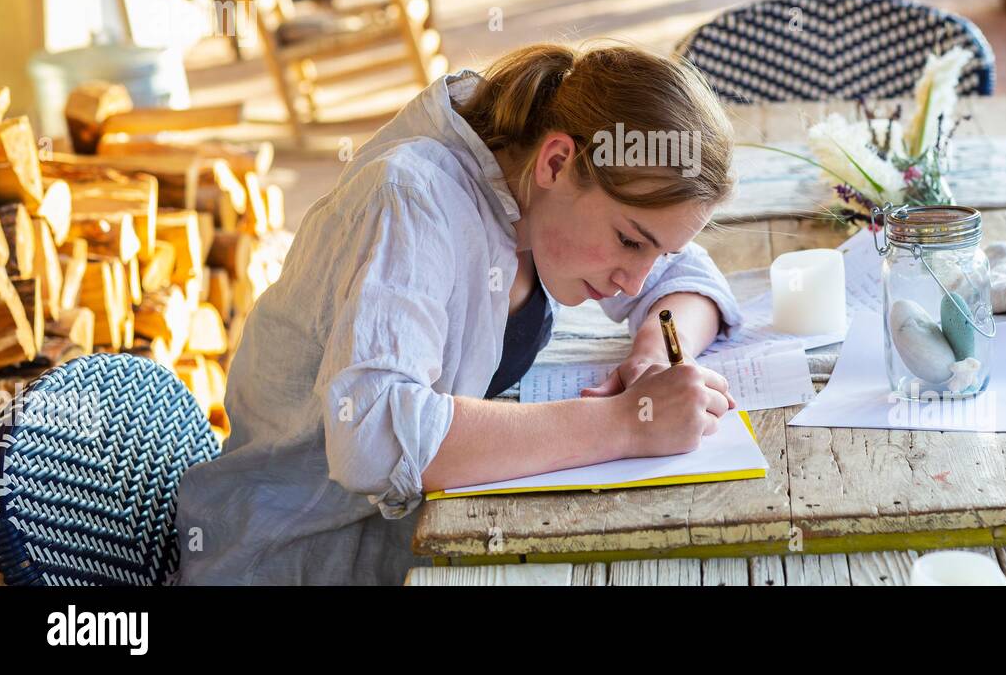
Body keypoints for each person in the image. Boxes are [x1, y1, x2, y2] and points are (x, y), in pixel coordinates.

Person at [175, 41, 744, 584]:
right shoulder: (412, 196)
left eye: (656, 250)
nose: (636, 278)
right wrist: (627, 422)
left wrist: (651, 358)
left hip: (428, 539)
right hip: (298, 559)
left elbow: (688, 279)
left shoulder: (528, 180)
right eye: (630, 242)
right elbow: (373, 436)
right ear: (556, 162)